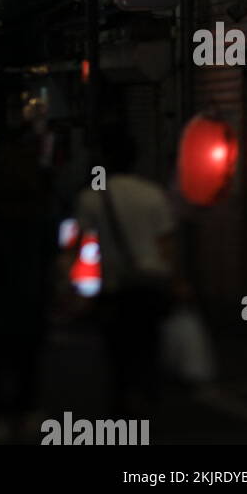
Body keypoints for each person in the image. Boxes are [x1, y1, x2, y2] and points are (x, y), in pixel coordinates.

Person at [76, 127, 181, 416]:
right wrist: (173, 279)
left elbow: (83, 247)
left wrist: (78, 290)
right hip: (150, 281)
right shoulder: (153, 195)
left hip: (114, 284)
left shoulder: (90, 198)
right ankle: (148, 394)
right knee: (148, 341)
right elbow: (167, 245)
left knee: (115, 347)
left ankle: (120, 402)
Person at [0, 119, 57, 442]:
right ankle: (26, 410)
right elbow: (50, 255)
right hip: (30, 295)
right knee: (28, 359)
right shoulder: (40, 212)